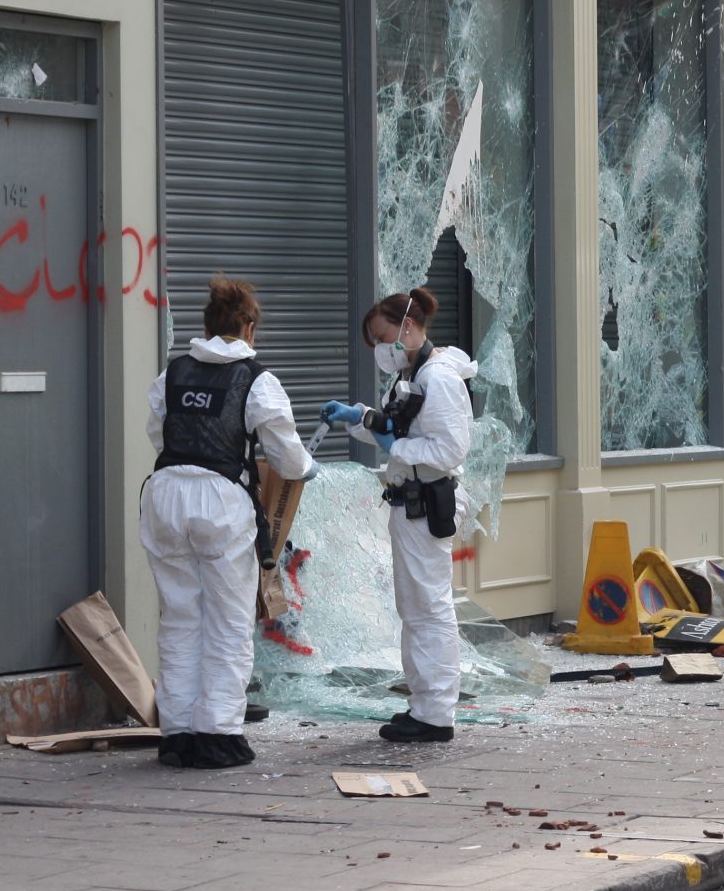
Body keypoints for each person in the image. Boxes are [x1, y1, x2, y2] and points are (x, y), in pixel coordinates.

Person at [143, 275, 318, 770]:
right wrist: (307, 468)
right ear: (248, 326)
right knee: (227, 622)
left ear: (207, 325)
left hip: (165, 496)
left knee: (179, 617)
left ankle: (177, 733)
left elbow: (159, 433)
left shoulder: (172, 374)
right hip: (222, 504)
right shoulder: (256, 379)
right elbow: (286, 457)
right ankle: (217, 732)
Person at [322, 287, 476, 743]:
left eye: (381, 336)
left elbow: (449, 448)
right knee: (417, 609)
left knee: (429, 609)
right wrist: (361, 418)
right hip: (412, 500)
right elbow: (401, 427)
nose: (379, 348)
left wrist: (396, 445)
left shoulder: (439, 378)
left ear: (407, 326)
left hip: (427, 500)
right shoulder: (415, 371)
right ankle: (425, 705)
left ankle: (435, 713)